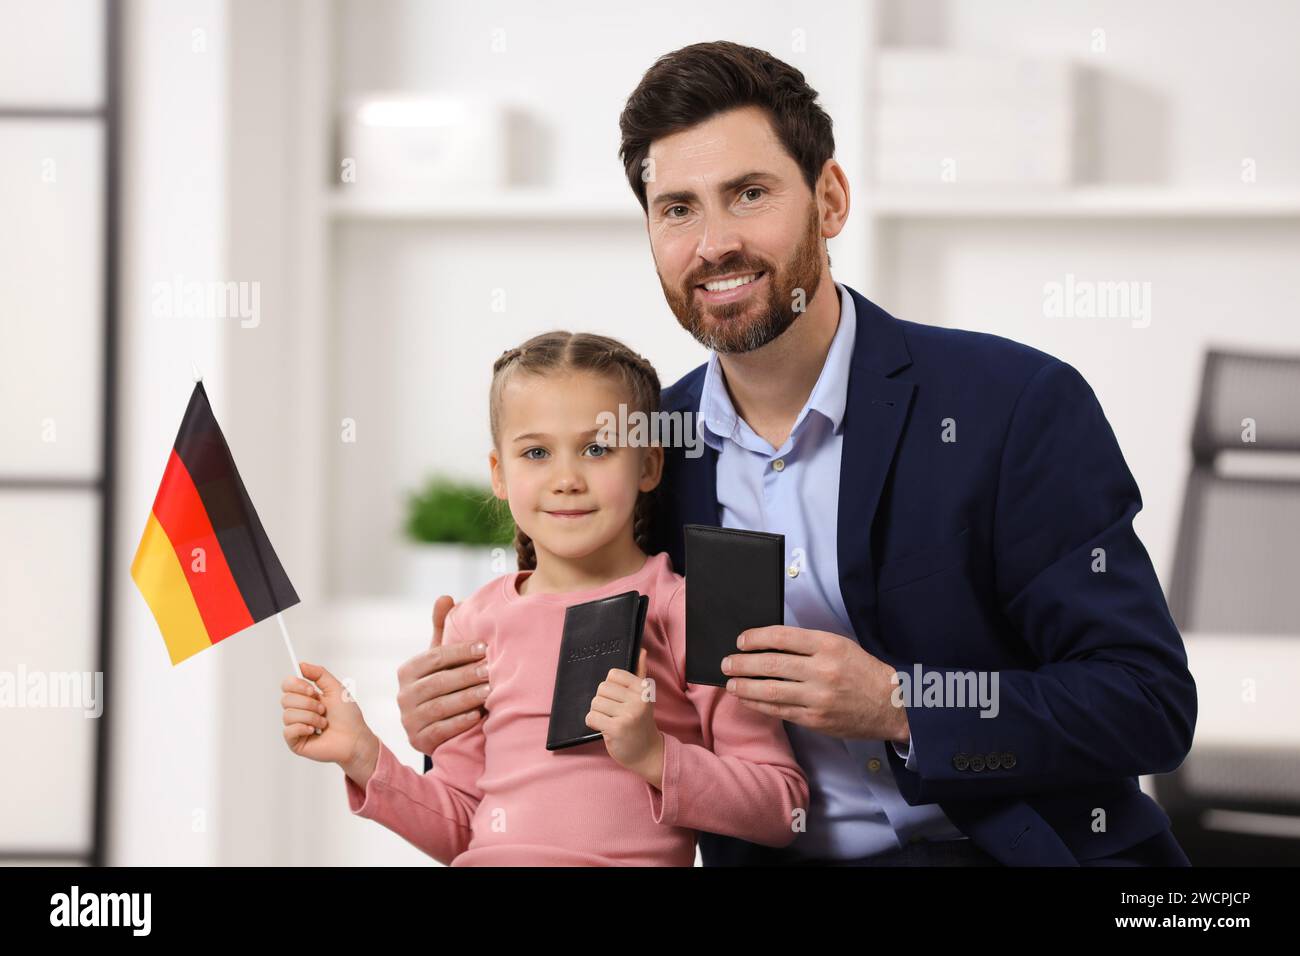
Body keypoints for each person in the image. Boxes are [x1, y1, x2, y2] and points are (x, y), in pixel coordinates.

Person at [396, 41, 1197, 867]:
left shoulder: (1010, 405)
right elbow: (548, 700)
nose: (713, 244)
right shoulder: (635, 456)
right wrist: (447, 719)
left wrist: (900, 703)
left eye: (748, 194)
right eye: (677, 209)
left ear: (831, 198)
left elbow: (1147, 704)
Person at [280, 330, 808, 865]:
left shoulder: (692, 610)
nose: (566, 479)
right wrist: (363, 755)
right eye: (536, 452)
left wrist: (654, 755)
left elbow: (780, 805)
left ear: (648, 464)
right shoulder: (475, 623)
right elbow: (462, 826)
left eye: (598, 448)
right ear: (499, 475)